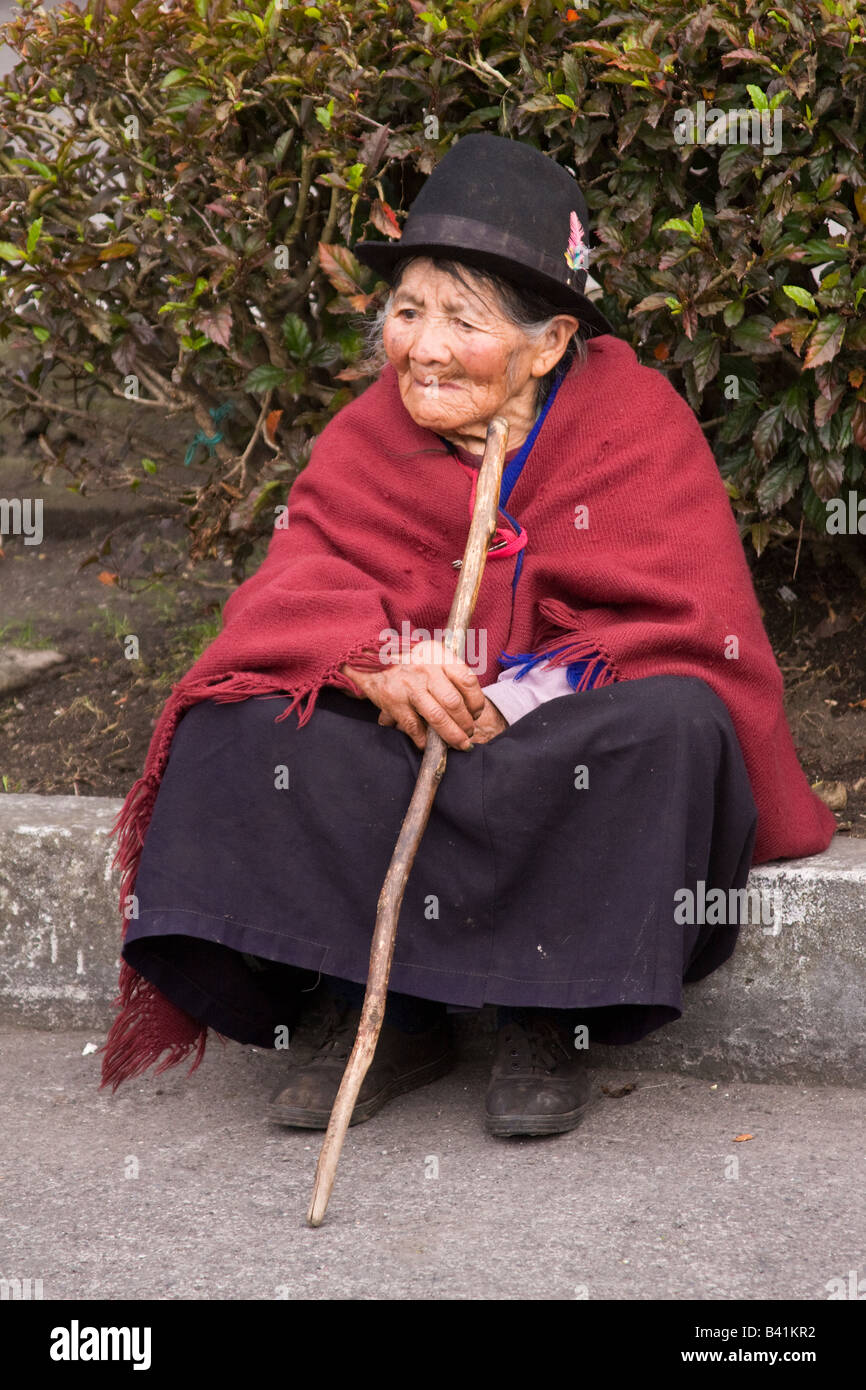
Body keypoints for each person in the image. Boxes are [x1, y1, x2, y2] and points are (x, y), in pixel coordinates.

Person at [101, 134, 835, 1137]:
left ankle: (548, 1010)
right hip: (399, 742)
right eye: (406, 312)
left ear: (548, 340)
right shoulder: (370, 432)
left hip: (552, 752)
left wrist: (519, 692)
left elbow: (682, 625)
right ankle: (384, 1006)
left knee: (673, 725)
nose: (424, 346)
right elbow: (290, 591)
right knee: (240, 722)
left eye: (462, 318)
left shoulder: (632, 419)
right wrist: (378, 664)